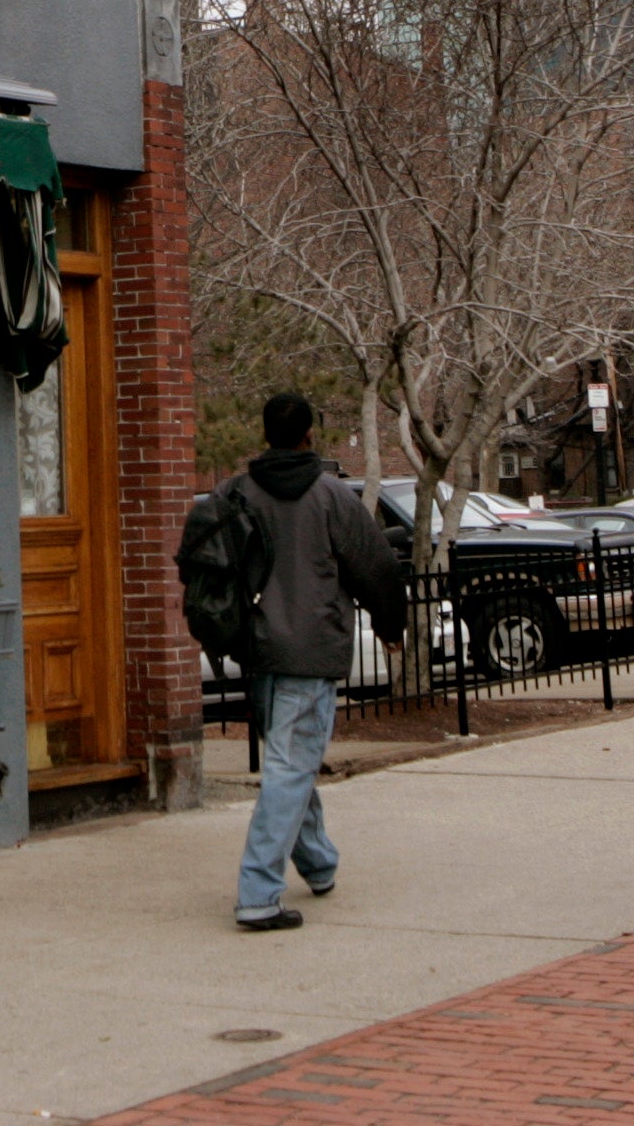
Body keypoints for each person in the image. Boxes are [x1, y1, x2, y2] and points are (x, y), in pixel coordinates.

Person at [227, 391, 406, 931]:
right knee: (290, 767)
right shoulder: (331, 497)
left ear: (265, 434)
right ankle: (258, 893)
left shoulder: (236, 493)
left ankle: (320, 864)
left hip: (258, 650)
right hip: (312, 649)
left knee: (290, 761)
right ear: (310, 434)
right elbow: (375, 566)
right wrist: (390, 625)